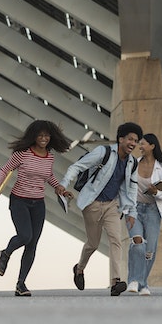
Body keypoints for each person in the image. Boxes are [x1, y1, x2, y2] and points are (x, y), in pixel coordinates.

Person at [62, 122, 141, 296]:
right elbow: (77, 166)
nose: (133, 143)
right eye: (130, 139)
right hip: (92, 203)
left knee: (116, 240)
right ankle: (79, 268)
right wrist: (63, 184)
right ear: (121, 139)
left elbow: (132, 189)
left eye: (136, 140)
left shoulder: (132, 163)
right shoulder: (103, 152)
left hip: (112, 205)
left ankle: (115, 282)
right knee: (93, 243)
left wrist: (132, 212)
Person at [0, 120, 71, 296]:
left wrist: (59, 188)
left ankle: (21, 284)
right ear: (34, 136)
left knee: (32, 245)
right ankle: (5, 254)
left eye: (47, 135)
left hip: (38, 204)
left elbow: (48, 176)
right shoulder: (22, 154)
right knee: (25, 236)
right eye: (40, 135)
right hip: (20, 201)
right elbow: (5, 169)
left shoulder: (49, 157)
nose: (44, 138)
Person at [126, 133, 162, 296]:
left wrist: (156, 192)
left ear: (152, 146)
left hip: (153, 211)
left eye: (143, 144)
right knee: (138, 242)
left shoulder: (161, 167)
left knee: (149, 251)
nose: (140, 146)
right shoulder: (133, 163)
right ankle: (134, 281)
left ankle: (142, 283)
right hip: (134, 210)